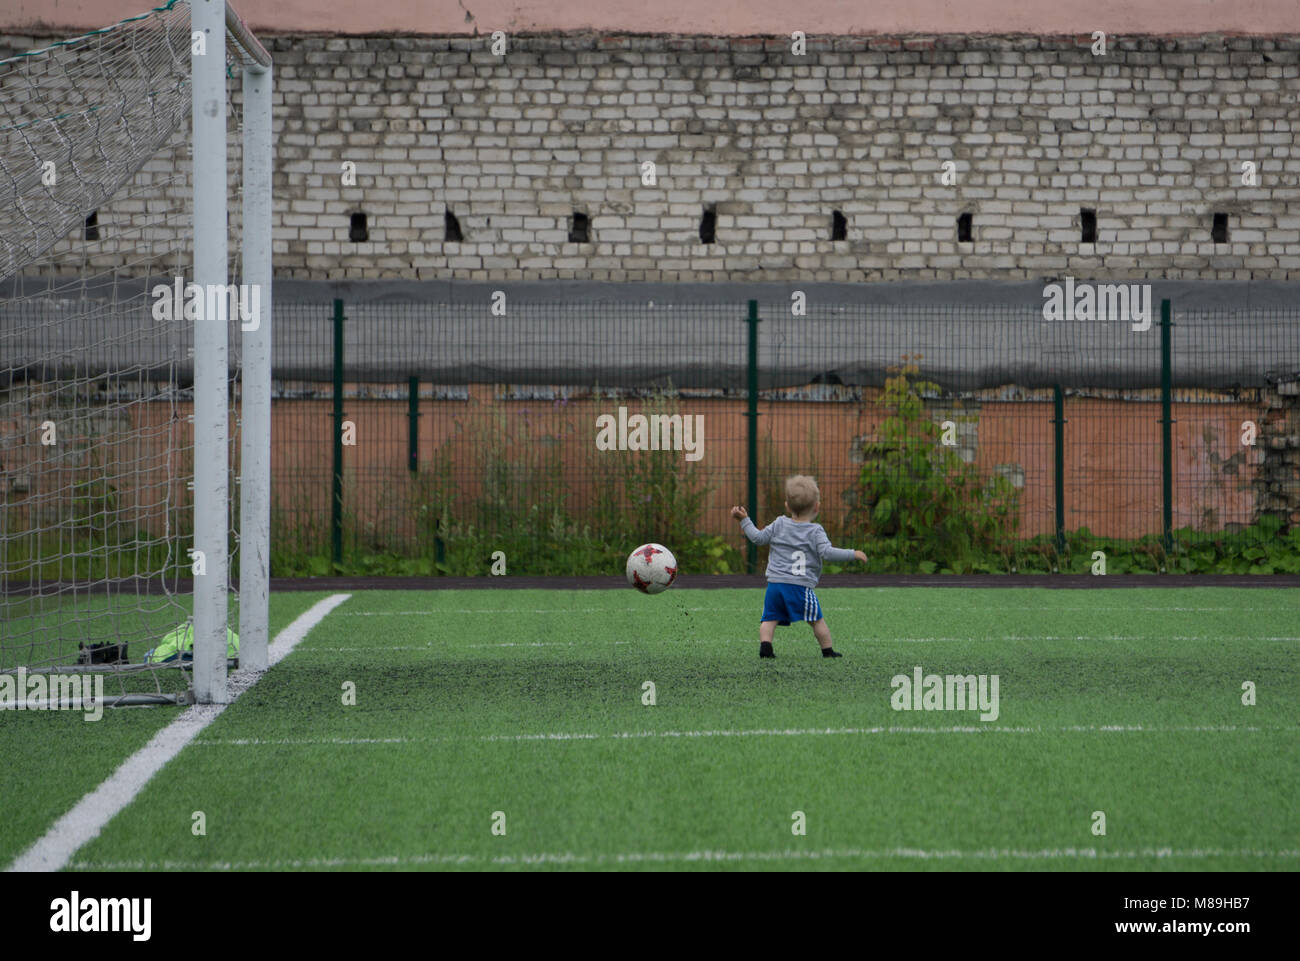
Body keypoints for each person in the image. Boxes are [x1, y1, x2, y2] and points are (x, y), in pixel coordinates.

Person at [731, 474, 866, 659]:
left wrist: (744, 520)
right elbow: (827, 552)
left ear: (787, 506)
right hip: (800, 588)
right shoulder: (815, 531)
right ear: (817, 506)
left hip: (775, 586)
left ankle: (766, 647)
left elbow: (757, 538)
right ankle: (828, 651)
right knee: (817, 619)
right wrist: (853, 553)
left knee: (769, 619)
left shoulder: (779, 523)